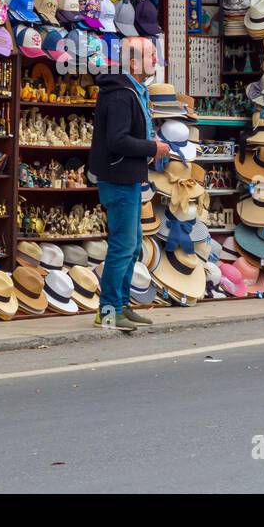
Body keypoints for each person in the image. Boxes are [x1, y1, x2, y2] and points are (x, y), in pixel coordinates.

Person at [89, 36, 169, 333]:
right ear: (133, 63)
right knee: (123, 245)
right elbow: (117, 140)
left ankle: (121, 305)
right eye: (151, 56)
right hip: (119, 177)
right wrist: (152, 149)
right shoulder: (121, 95)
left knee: (133, 244)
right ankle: (109, 311)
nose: (156, 61)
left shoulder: (132, 90)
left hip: (128, 177)